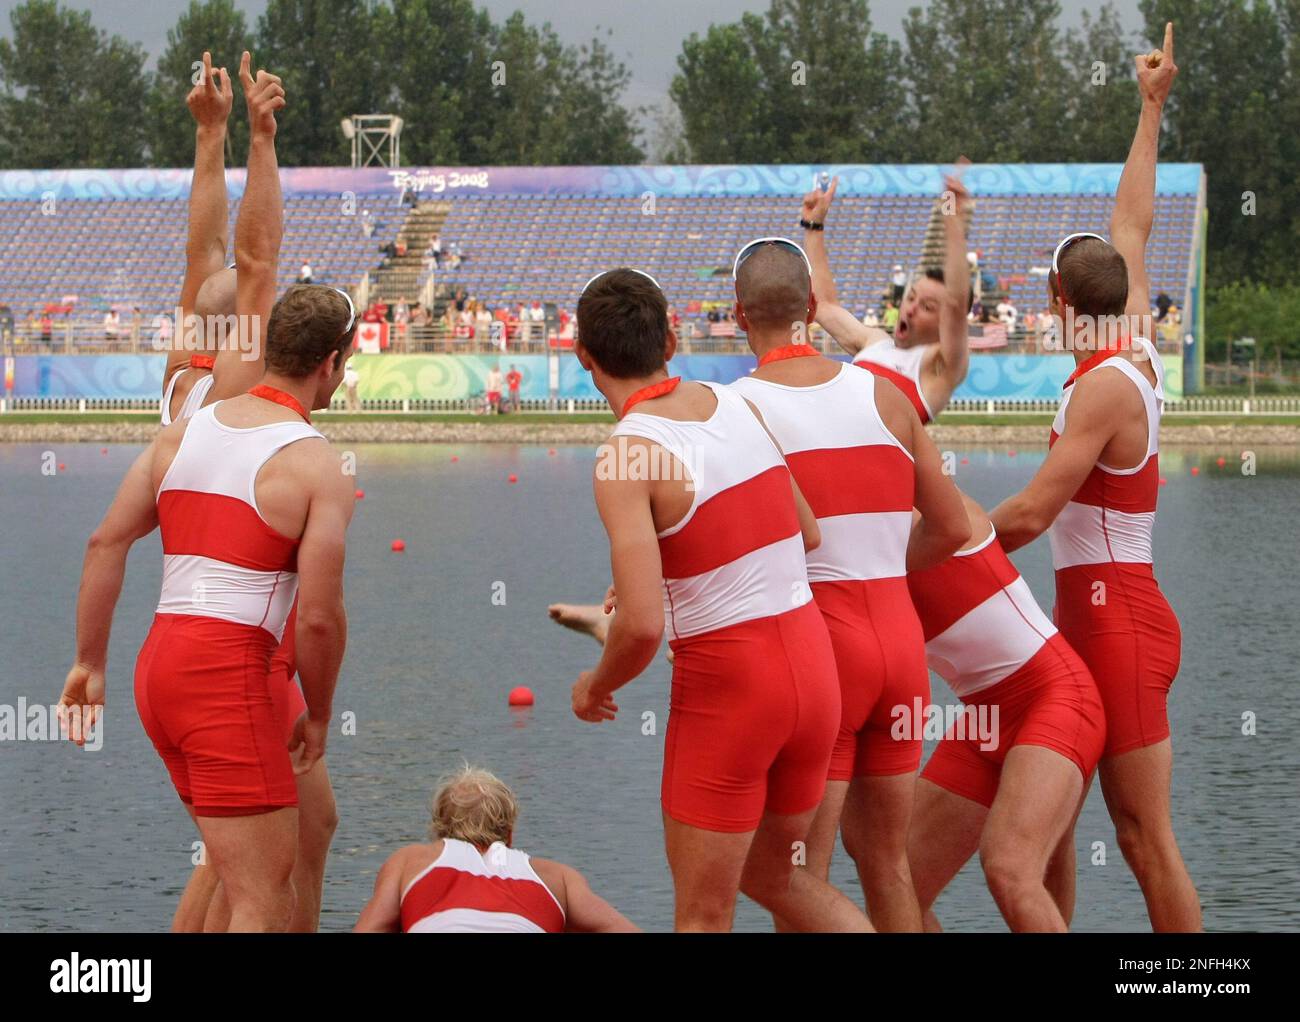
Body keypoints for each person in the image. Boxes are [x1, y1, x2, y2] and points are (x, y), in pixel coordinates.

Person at [569, 267, 869, 933]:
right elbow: (807, 532)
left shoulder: (626, 455)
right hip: (813, 673)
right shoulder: (737, 403)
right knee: (774, 874)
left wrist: (594, 684)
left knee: (703, 914)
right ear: (671, 341)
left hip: (731, 690)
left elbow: (642, 628)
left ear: (583, 355)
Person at [60, 279, 357, 933]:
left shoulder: (179, 436)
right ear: (332, 362)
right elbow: (318, 617)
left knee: (250, 858)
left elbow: (106, 542)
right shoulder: (317, 465)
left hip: (157, 674)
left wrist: (87, 662)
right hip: (228, 676)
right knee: (260, 892)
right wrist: (324, 711)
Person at [988, 24, 1201, 932]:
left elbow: (1034, 513)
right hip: (1098, 616)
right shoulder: (1135, 342)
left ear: (1057, 304)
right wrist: (1149, 108)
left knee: (1144, 837)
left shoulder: (1105, 388)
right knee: (1059, 829)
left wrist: (924, 545)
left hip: (1120, 622)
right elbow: (1132, 222)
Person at [726, 237, 969, 932]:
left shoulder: (737, 408)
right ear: (811, 308)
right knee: (888, 862)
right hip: (900, 647)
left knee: (800, 873)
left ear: (739, 315)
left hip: (823, 654)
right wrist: (887, 569)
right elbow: (952, 528)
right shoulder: (889, 395)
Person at [906, 491, 1106, 932]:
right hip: (983, 719)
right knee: (898, 887)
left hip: (1055, 698)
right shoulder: (845, 542)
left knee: (1009, 866)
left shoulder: (936, 515)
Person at [355, 766, 638, 933]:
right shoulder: (558, 878)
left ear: (439, 829)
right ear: (509, 833)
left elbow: (371, 928)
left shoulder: (410, 861)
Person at [802, 171, 973, 423]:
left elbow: (956, 303)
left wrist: (952, 220)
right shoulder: (874, 341)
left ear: (945, 323)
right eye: (911, 297)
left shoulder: (938, 367)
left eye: (927, 307)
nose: (911, 309)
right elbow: (825, 305)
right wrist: (813, 227)